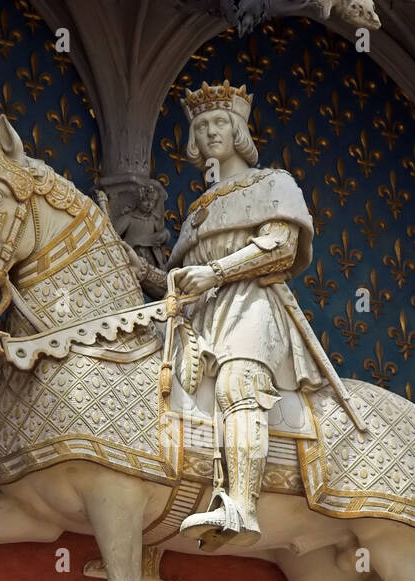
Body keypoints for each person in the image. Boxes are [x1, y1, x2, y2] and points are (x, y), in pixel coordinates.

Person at [132, 80, 358, 547]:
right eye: (201, 127)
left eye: (219, 123)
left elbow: (280, 246)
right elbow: (181, 278)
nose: (211, 132)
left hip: (251, 306)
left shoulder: (274, 183)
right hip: (198, 317)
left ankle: (240, 506)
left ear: (238, 130)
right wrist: (137, 267)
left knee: (238, 384)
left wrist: (215, 273)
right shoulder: (197, 211)